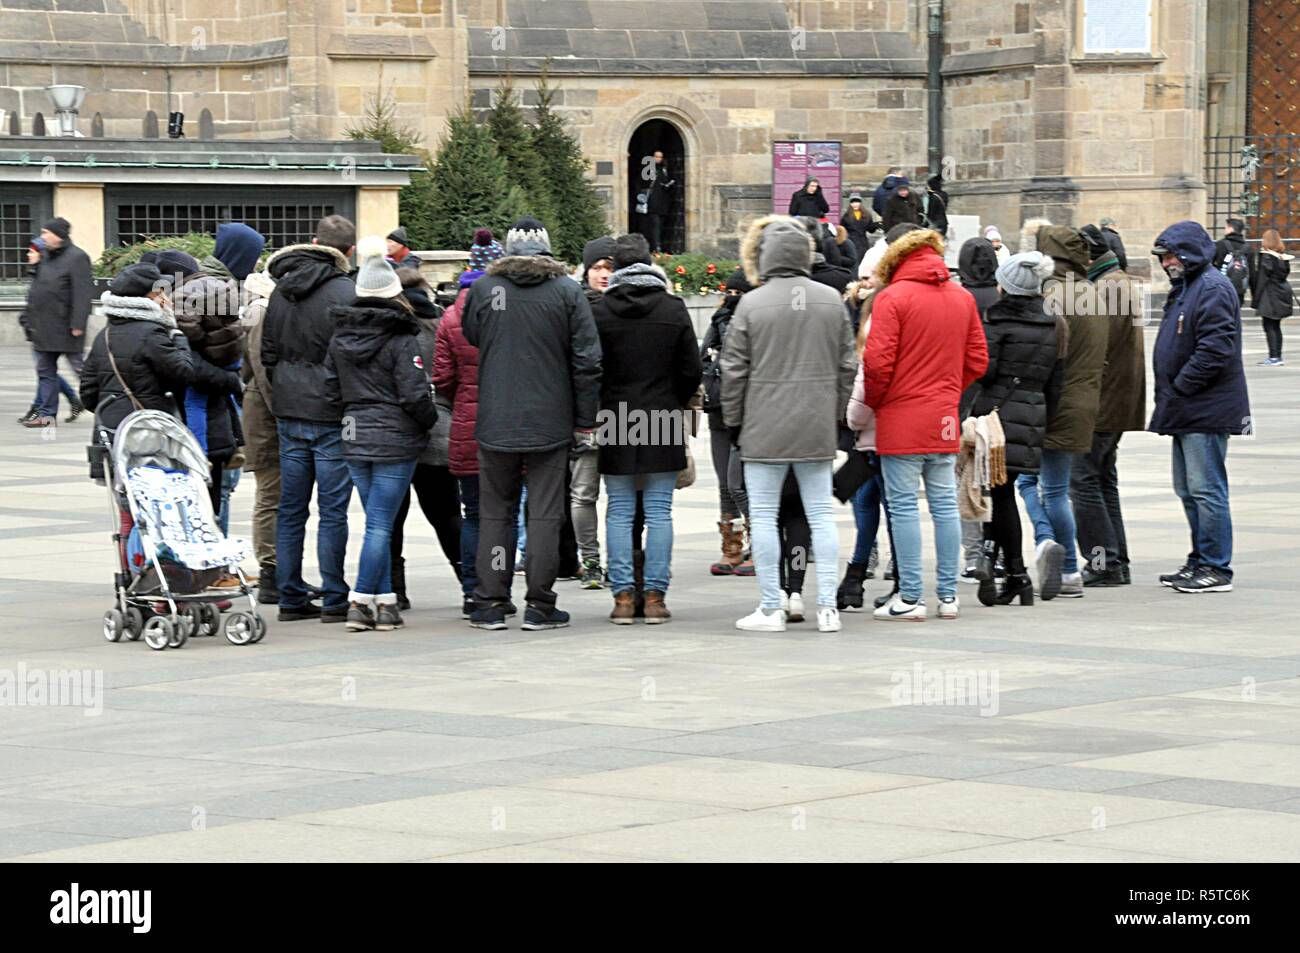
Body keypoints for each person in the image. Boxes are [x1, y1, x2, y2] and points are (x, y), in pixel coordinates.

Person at [461, 217, 602, 631]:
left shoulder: (487, 289)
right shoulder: (566, 291)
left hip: (496, 419)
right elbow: (588, 360)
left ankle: (490, 601)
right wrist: (585, 419)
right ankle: (540, 604)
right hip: (550, 420)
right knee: (543, 514)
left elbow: (472, 334)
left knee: (495, 514)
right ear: (547, 249)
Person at [721, 214, 856, 633]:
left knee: (761, 515)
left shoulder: (751, 303)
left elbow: (734, 371)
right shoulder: (831, 299)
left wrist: (734, 422)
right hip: (816, 424)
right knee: (819, 513)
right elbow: (847, 366)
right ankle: (829, 608)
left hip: (763, 426)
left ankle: (770, 607)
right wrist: (835, 414)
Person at [862, 227, 988, 621]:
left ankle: (911, 596)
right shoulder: (961, 297)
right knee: (945, 505)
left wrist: (879, 402)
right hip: (944, 414)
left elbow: (877, 363)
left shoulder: (893, 298)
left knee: (902, 508)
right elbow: (978, 360)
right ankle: (948, 596)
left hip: (901, 415)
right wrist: (949, 390)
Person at [324, 237, 436, 632]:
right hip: (395, 436)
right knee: (380, 524)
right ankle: (360, 599)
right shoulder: (403, 338)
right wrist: (427, 421)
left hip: (354, 433)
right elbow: (414, 393)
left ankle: (385, 602)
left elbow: (330, 389)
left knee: (376, 519)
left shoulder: (339, 336)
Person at [590, 235, 701, 623]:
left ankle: (622, 597)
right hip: (662, 414)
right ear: (651, 264)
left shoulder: (601, 312)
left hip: (616, 414)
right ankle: (654, 596)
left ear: (616, 269)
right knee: (659, 511)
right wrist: (674, 398)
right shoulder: (672, 308)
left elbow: (591, 366)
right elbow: (692, 369)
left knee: (619, 509)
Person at [261, 214, 358, 623]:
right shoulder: (346, 292)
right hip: (331, 414)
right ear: (349, 252)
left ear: (315, 241)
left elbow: (267, 353)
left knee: (290, 508)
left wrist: (285, 387)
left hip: (288, 409)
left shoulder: (281, 291)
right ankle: (334, 597)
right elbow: (351, 356)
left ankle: (289, 596)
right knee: (333, 510)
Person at [1150, 221, 1251, 593]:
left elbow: (1216, 348)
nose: (1166, 263)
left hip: (1204, 407)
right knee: (1188, 488)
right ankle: (1199, 559)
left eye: (1171, 255)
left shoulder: (1211, 287)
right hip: (1185, 406)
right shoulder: (1187, 287)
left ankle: (1216, 567)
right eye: (1163, 258)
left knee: (1206, 488)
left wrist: (1180, 386)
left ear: (1189, 253)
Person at [1016, 223, 1106, 601]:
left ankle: (1060, 559)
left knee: (1039, 487)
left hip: (1053, 401)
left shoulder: (1050, 294)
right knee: (1054, 487)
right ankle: (1064, 563)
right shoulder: (1093, 292)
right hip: (1085, 400)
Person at [970, 251, 1064, 608]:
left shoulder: (995, 321)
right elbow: (1057, 382)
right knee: (1004, 493)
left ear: (1005, 286)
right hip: (1032, 414)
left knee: (999, 495)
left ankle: (1010, 571)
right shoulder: (1053, 324)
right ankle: (1012, 575)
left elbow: (984, 371)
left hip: (996, 416)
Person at [432, 238, 506, 620]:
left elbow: (441, 377)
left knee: (474, 514)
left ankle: (471, 591)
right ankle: (499, 589)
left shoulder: (450, 316)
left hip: (465, 424)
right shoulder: (506, 307)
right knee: (504, 513)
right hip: (506, 423)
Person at [1072, 224, 1146, 587]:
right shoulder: (1116, 281)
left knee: (1083, 482)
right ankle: (1116, 560)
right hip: (1113, 399)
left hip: (1102, 402)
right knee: (1101, 481)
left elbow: (1094, 350)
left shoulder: (1107, 287)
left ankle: (1103, 562)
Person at [390, 269, 462, 611]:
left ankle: (395, 589)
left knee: (390, 518)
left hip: (393, 437)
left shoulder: (388, 329)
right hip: (440, 432)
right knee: (447, 514)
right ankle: (472, 584)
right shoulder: (443, 326)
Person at [79, 262, 196, 433]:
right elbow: (184, 372)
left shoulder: (104, 335)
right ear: (150, 296)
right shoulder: (152, 334)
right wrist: (177, 335)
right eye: (161, 291)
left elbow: (87, 393)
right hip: (148, 431)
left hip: (111, 432)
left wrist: (115, 411)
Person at [570, 235, 618, 588]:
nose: (603, 274)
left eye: (609, 268)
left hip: (621, 415)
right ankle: (590, 560)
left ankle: (619, 561)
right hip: (585, 414)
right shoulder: (573, 306)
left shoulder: (625, 306)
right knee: (584, 493)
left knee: (620, 495)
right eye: (597, 267)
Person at [701, 268, 755, 576]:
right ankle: (731, 547)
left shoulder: (752, 323)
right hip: (717, 409)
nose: (733, 299)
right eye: (730, 293)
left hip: (745, 413)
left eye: (739, 294)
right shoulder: (717, 321)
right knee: (725, 482)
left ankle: (760, 544)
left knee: (739, 483)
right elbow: (700, 357)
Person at [22, 218, 92, 429]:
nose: (42, 237)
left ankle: (108, 405)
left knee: (82, 371)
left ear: (58, 235)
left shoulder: (78, 257)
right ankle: (46, 415)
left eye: (46, 233)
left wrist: (78, 322)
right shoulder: (45, 257)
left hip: (67, 327)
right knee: (45, 371)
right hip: (44, 326)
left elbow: (82, 293)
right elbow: (38, 289)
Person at [239, 264, 280, 604]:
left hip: (259, 410)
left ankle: (274, 568)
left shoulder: (255, 308)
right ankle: (270, 570)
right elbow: (259, 365)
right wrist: (279, 409)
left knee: (272, 494)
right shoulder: (261, 310)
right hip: (264, 416)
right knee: (270, 493)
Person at [1250, 227, 1292, 366]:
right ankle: (1277, 356)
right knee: (1276, 325)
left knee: (1269, 325)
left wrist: (1256, 299)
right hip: (1281, 292)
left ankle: (1273, 356)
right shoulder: (1283, 257)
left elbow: (1262, 279)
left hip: (1270, 294)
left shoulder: (1267, 257)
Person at [1212, 217, 1251, 304]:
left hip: (1222, 289)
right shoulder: (1248, 248)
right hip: (1239, 290)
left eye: (1226, 227)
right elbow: (1251, 272)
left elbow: (1210, 266)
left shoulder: (1219, 245)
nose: (1225, 230)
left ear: (1230, 228)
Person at [643, 150, 675, 253]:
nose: (658, 159)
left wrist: (668, 184)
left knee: (661, 226)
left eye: (660, 157)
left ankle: (660, 246)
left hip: (662, 203)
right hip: (652, 203)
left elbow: (667, 183)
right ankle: (655, 247)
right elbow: (643, 183)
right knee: (654, 226)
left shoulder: (664, 169)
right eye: (656, 157)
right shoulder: (648, 169)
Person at [840, 193, 878, 266]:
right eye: (853, 202)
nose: (855, 204)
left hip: (863, 242)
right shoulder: (846, 216)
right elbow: (843, 230)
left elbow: (870, 229)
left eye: (857, 202)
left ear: (860, 203)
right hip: (852, 241)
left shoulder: (866, 215)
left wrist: (876, 225)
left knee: (863, 261)